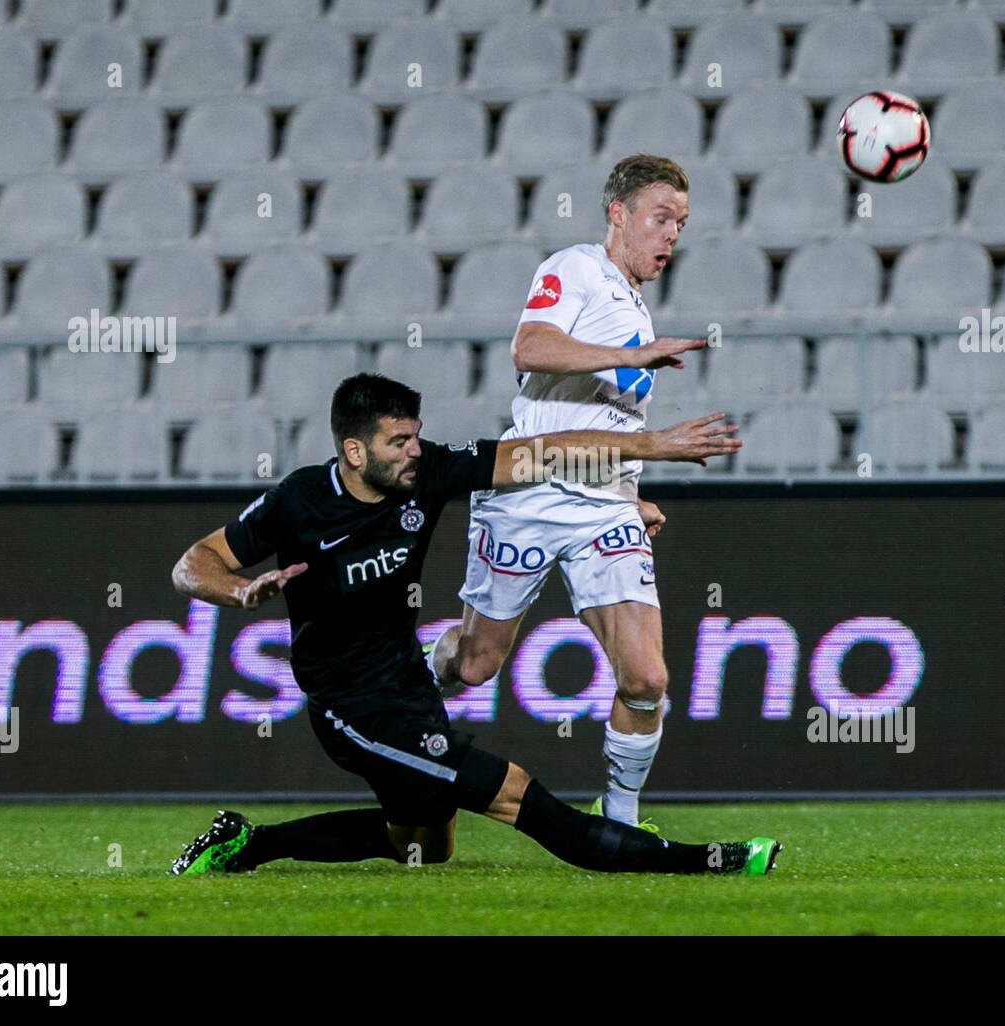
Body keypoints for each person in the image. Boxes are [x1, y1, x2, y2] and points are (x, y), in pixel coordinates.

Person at [168, 373, 777, 877]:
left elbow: (542, 455)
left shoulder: (426, 472)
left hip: (408, 684)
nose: (414, 451)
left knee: (425, 846)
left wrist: (635, 471)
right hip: (352, 708)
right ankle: (712, 861)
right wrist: (242, 590)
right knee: (522, 799)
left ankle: (247, 844)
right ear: (354, 452)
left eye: (415, 437)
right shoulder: (298, 502)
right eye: (398, 441)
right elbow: (193, 564)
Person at [428, 154, 698, 830]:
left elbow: (604, 420)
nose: (671, 236)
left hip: (601, 505)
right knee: (476, 664)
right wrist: (630, 356)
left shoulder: (634, 304)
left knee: (647, 678)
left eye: (682, 225)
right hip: (528, 490)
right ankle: (409, 668)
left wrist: (627, 492)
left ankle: (621, 819)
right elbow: (530, 347)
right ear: (619, 213)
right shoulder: (576, 267)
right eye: (661, 219)